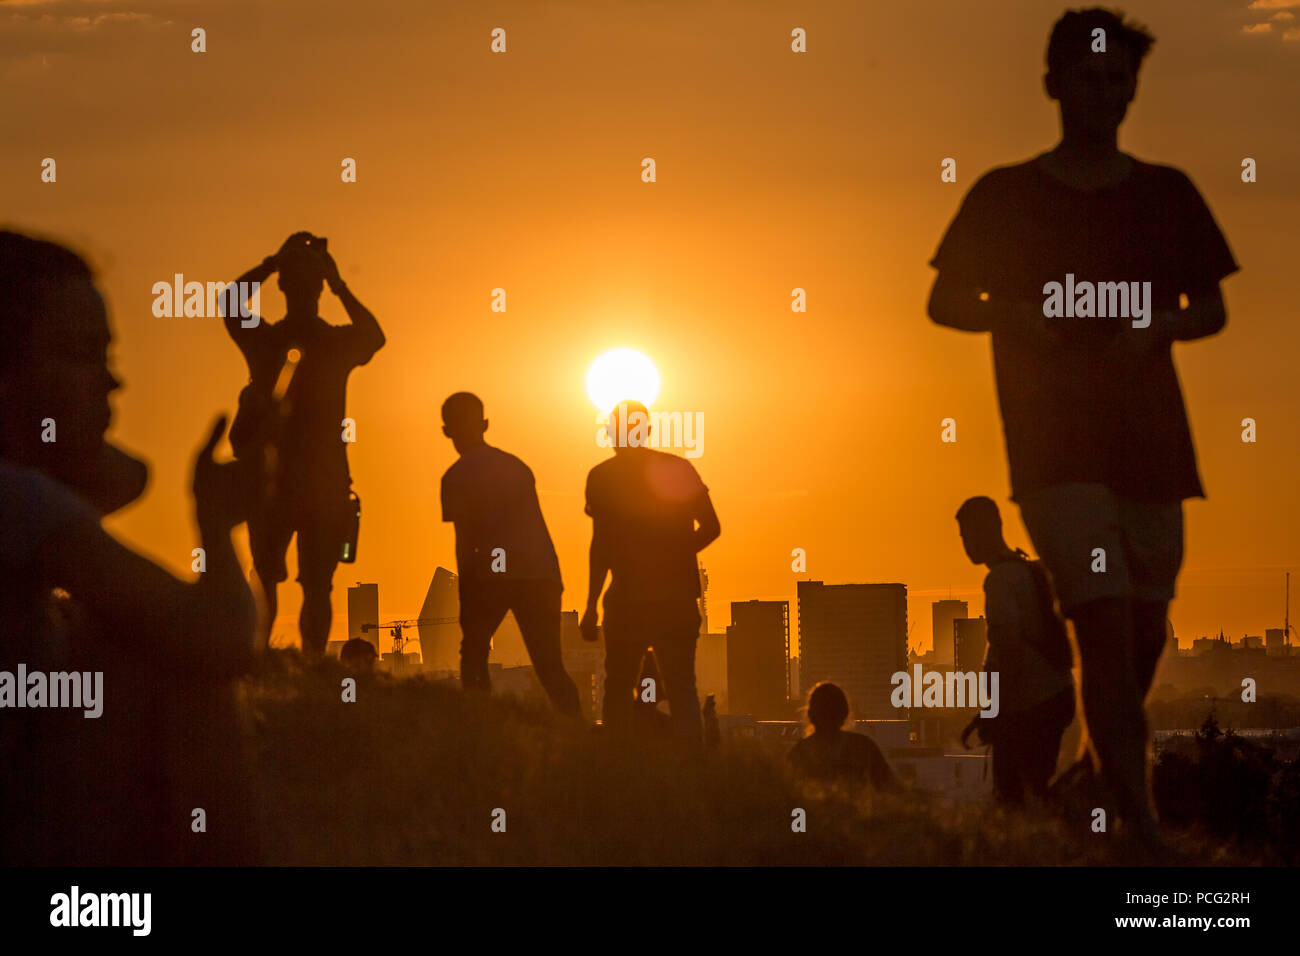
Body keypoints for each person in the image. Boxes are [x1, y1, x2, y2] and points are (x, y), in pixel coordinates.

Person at [926, 8, 1237, 840]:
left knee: (1140, 636)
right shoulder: (1006, 196)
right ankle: (1137, 831)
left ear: (1130, 89)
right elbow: (944, 299)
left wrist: (1158, 329)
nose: (1102, 92)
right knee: (1099, 627)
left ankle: (1087, 787)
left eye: (1117, 79)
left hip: (1153, 449)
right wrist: (1017, 316)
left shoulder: (1166, 194)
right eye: (1087, 76)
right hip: (1055, 450)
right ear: (1052, 84)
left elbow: (1210, 307)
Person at [0, 230, 257, 864]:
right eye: (78, 355)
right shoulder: (18, 497)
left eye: (105, 354)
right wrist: (218, 529)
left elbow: (127, 476)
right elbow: (220, 637)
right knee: (169, 665)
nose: (112, 383)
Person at [224, 232, 385, 659]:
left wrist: (272, 262)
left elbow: (228, 303)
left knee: (268, 578)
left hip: (276, 477)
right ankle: (312, 663)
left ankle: (260, 658)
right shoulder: (333, 344)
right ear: (318, 289)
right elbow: (374, 334)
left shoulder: (266, 343)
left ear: (283, 288)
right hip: (321, 480)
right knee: (317, 586)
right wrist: (338, 282)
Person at [580, 401, 720, 748]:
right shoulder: (678, 469)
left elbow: (601, 546)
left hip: (628, 599)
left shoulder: (602, 477)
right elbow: (711, 527)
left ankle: (617, 762)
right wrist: (676, 555)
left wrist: (591, 604)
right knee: (681, 687)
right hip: (675, 600)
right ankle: (692, 764)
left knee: (618, 685)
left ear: (612, 433)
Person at [440, 392, 581, 716]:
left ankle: (481, 725)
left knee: (473, 654)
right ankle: (578, 734)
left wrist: (467, 599)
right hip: (541, 573)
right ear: (485, 424)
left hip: (497, 575)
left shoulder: (455, 477)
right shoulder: (516, 466)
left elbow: (466, 542)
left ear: (447, 431)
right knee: (549, 666)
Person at [955, 497, 1074, 805]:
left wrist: (996, 711)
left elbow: (1008, 649)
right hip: (1052, 697)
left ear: (985, 530)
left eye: (967, 534)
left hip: (1028, 706)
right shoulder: (1024, 568)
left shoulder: (999, 580)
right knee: (1037, 786)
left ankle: (1027, 847)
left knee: (1013, 796)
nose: (965, 544)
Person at [788, 683, 898, 793]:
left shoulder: (799, 753)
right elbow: (892, 789)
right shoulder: (863, 747)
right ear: (844, 714)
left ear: (810, 715)